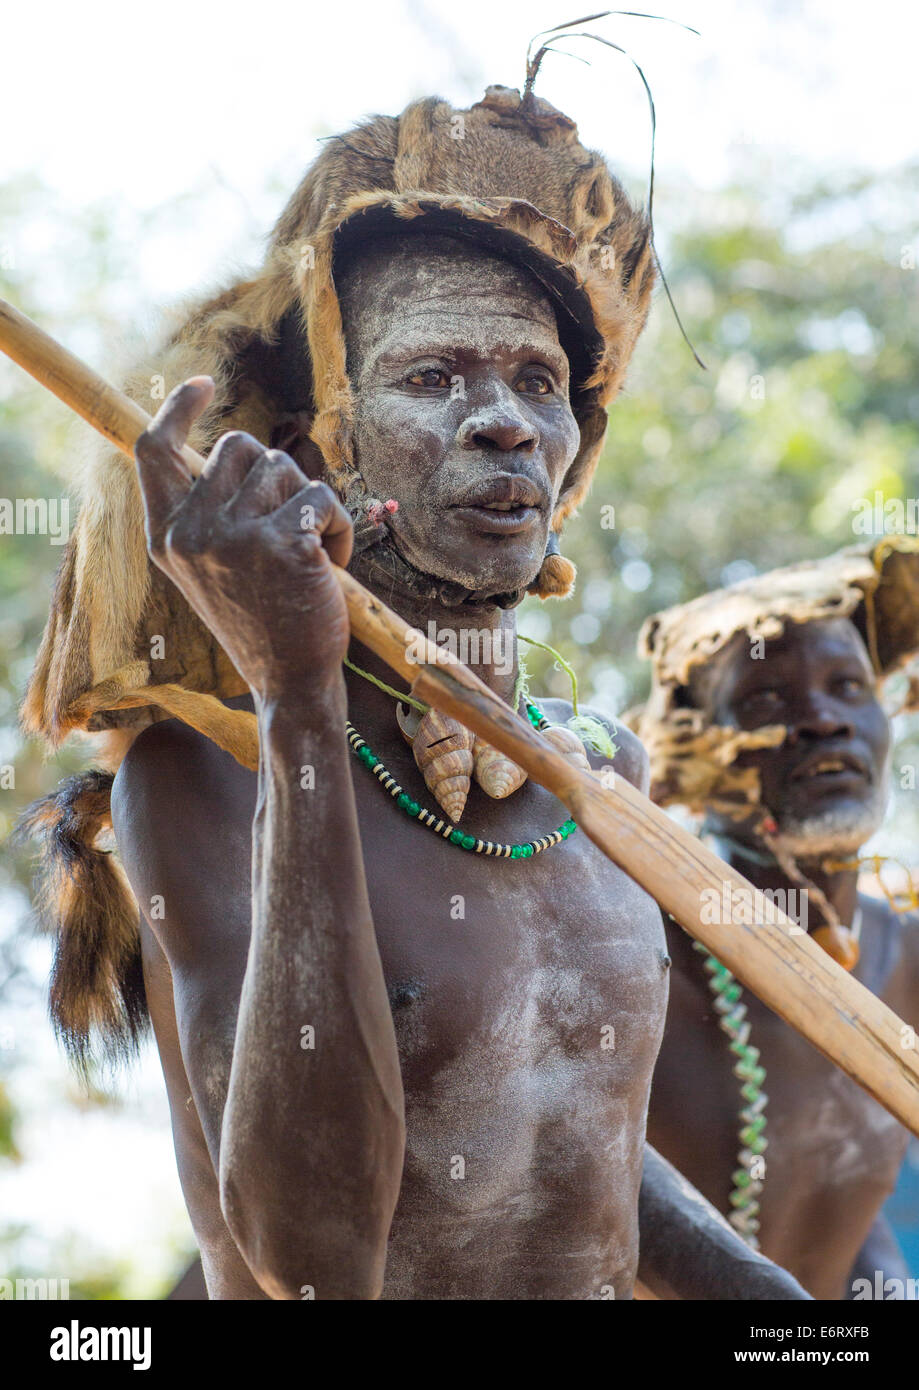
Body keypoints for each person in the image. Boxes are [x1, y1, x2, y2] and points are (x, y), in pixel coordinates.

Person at [20, 87, 807, 1299]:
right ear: (304, 445)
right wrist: (292, 692)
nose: (504, 424)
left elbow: (565, 1133)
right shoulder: (204, 779)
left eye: (539, 382)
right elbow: (311, 1255)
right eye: (432, 376)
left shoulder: (599, 772)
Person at [631, 540, 919, 1298]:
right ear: (693, 752)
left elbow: (839, 1193)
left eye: (846, 685)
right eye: (763, 700)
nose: (822, 721)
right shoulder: (631, 946)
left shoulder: (909, 956)